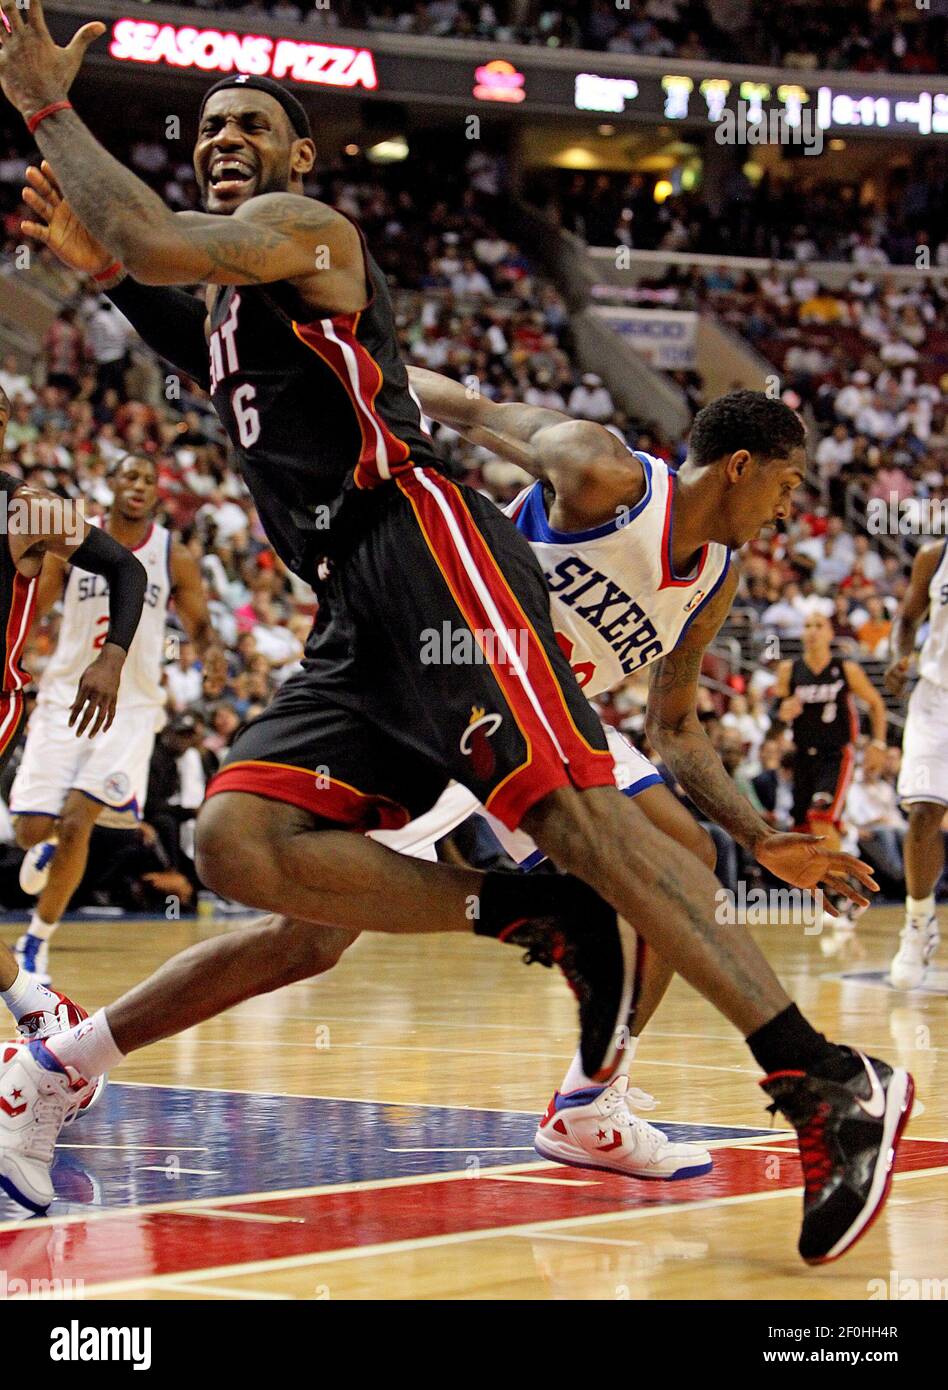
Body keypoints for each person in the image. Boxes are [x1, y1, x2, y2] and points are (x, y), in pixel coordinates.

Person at [0, 21, 913, 1267]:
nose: (223, 141)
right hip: (358, 609)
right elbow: (192, 324)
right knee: (245, 845)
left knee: (617, 834)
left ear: (301, 158)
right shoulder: (236, 312)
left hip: (431, 554)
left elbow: (157, 237)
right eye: (207, 127)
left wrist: (52, 114)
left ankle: (820, 1080)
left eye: (250, 127)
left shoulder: (309, 236)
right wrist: (111, 281)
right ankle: (531, 915)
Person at [375, 371, 883, 1178]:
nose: (791, 507)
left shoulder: (715, 578)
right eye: (787, 485)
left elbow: (673, 726)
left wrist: (757, 836)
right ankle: (93, 1047)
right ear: (741, 466)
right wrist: (351, 361)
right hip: (454, 687)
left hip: (558, 720)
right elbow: (470, 409)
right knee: (301, 929)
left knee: (685, 860)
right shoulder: (608, 477)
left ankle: (591, 1096)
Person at [0, 387, 148, 1135]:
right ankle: (45, 1015)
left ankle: (43, 1019)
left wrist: (111, 659)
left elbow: (128, 569)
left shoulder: (25, 509)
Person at [9, 454, 215, 983]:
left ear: (156, 493)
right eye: (130, 475)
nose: (139, 485)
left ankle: (36, 941)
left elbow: (199, 623)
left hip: (131, 704)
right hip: (61, 698)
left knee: (79, 822)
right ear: (111, 483)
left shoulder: (173, 555)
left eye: (149, 478)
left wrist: (210, 653)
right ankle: (55, 841)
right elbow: (30, 610)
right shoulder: (72, 540)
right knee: (30, 829)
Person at [773, 613, 889, 932]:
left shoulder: (845, 668)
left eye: (818, 625)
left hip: (835, 754)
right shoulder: (789, 670)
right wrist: (781, 712)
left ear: (829, 633)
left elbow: (876, 703)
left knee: (822, 818)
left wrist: (878, 743)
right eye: (806, 625)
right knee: (804, 827)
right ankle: (845, 890)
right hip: (802, 756)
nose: (811, 631)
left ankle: (842, 897)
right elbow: (776, 713)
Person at [884, 541, 948, 986]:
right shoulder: (935, 556)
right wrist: (899, 655)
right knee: (924, 812)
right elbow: (907, 617)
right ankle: (918, 921)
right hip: (936, 698)